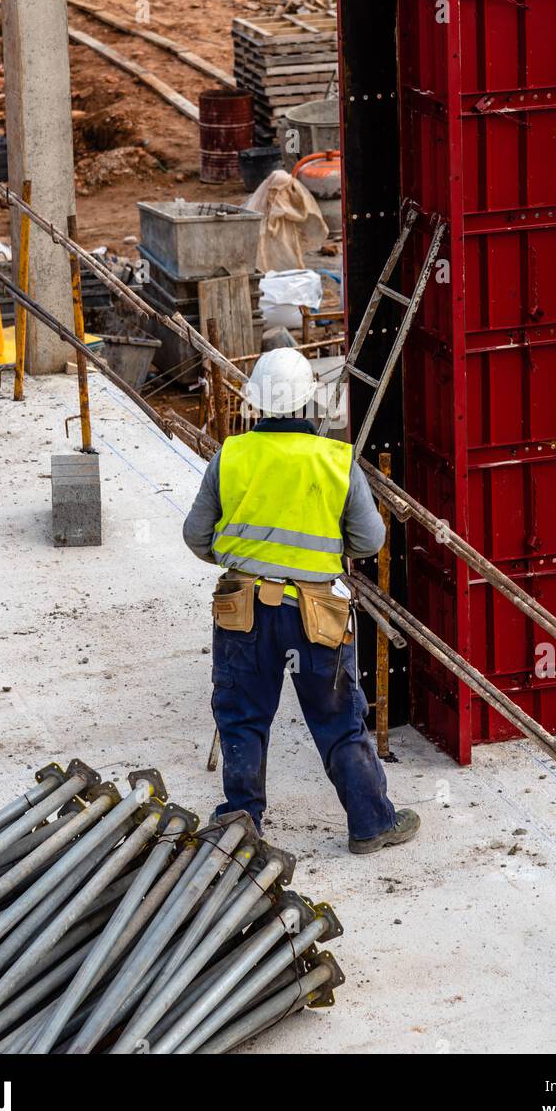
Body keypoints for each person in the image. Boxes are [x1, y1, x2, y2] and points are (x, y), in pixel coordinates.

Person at [183, 347, 420, 855]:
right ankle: (371, 824)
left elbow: (196, 536)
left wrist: (243, 556)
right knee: (338, 720)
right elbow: (370, 540)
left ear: (256, 402)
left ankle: (241, 821)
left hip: (244, 610)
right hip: (316, 616)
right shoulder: (336, 460)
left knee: (242, 717)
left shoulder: (232, 456)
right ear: (309, 402)